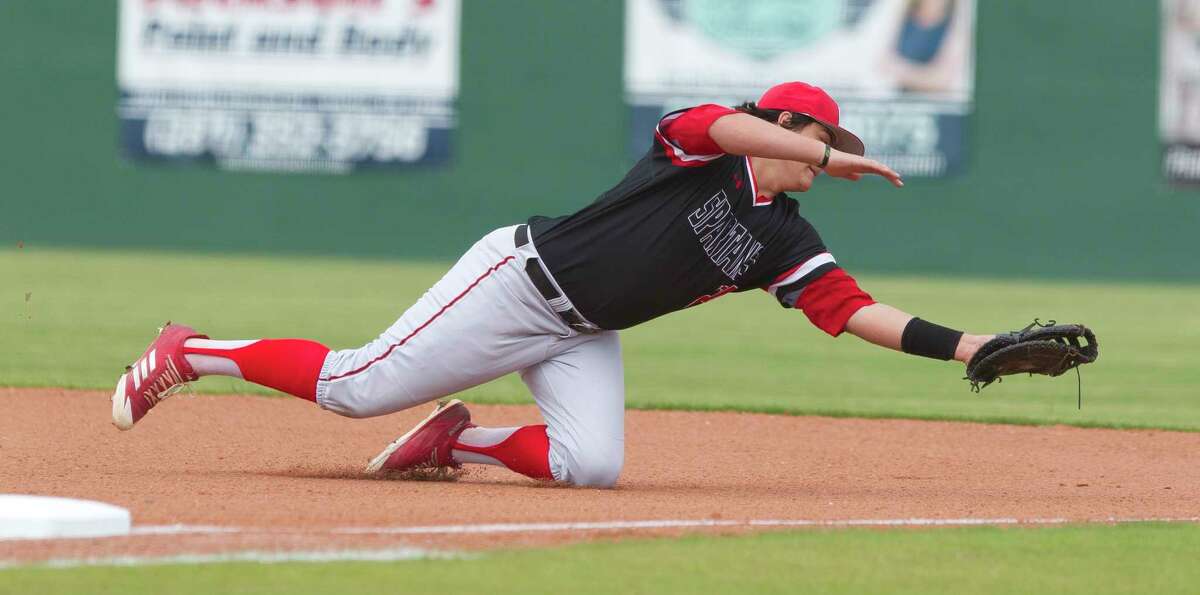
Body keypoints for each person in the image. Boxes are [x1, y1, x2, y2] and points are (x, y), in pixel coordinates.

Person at [111, 82, 993, 488]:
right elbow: (721, 123)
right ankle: (188, 350)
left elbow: (854, 310)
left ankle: (451, 444)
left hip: (584, 328)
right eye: (818, 139)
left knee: (592, 466)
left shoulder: (785, 238)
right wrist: (825, 151)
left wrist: (970, 346)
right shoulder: (701, 150)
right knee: (354, 386)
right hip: (519, 282)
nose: (823, 157)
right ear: (793, 127)